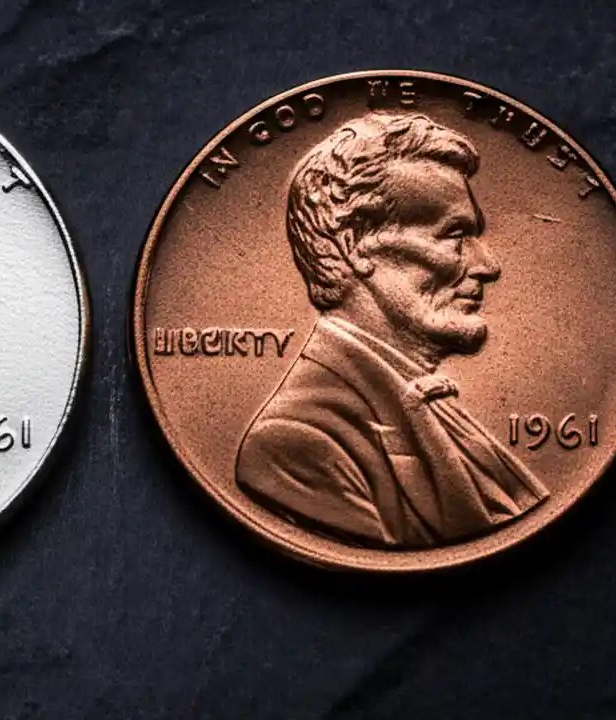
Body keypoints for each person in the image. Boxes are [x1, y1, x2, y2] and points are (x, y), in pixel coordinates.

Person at [235, 113, 549, 549]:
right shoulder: (295, 442)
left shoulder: (427, 400)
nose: (487, 266)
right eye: (454, 235)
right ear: (354, 245)